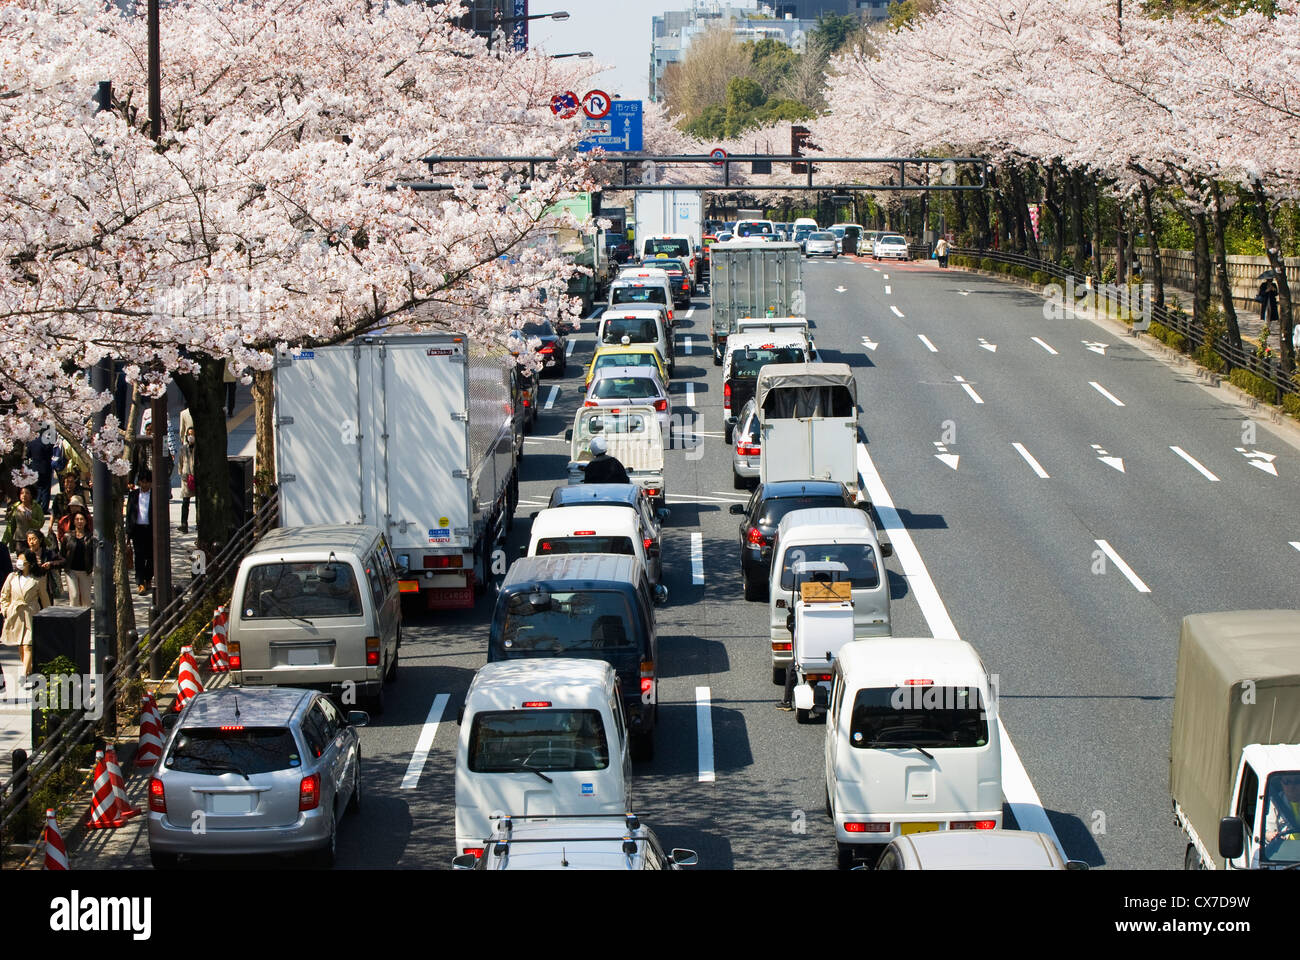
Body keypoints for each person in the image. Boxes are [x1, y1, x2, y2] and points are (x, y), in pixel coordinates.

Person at [1, 550, 52, 682]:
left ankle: (23, 674)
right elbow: (4, 595)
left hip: (31, 613)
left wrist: (47, 614)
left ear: (29, 563)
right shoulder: (12, 577)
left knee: (28, 645)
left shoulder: (38, 579)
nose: (19, 562)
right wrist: (5, 609)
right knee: (21, 646)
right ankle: (28, 669)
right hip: (16, 614)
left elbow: (44, 598)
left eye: (22, 560)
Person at [126, 468, 154, 595]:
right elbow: (129, 513)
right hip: (137, 530)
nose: (144, 485)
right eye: (142, 482)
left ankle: (148, 578)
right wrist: (128, 532)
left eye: (147, 482)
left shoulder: (155, 495)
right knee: (139, 557)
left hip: (151, 530)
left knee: (151, 556)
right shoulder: (133, 495)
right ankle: (140, 582)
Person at [61, 508, 94, 607]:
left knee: (86, 599)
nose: (79, 521)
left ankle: (85, 621)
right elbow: (62, 553)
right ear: (73, 521)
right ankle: (73, 620)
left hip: (85, 571)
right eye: (77, 519)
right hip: (71, 571)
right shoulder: (67, 536)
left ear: (86, 521)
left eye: (82, 519)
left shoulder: (91, 537)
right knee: (74, 596)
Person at [1262, 774, 1300, 860]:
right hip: (1284, 856)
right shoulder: (1274, 802)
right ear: (1281, 783)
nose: (1291, 787)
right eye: (1287, 782)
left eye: (1297, 781)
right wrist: (1271, 836)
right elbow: (1267, 832)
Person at [25, 528, 64, 603]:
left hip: (46, 587)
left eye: (33, 539)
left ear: (40, 540)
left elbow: (63, 561)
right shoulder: (25, 554)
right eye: (29, 539)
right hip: (29, 587)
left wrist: (51, 564)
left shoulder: (48, 553)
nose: (31, 542)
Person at [5, 486, 44, 553]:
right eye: (22, 493)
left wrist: (31, 520)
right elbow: (10, 526)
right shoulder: (16, 507)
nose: (24, 495)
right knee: (21, 560)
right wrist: (4, 542)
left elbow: (40, 524)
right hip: (19, 540)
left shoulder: (37, 507)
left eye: (27, 493)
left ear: (32, 495)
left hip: (33, 541)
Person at [25, 432, 55, 513]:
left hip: (35, 467)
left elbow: (27, 455)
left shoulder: (32, 443)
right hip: (46, 467)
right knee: (46, 488)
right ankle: (44, 508)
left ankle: (36, 504)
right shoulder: (48, 443)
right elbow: (51, 454)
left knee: (37, 487)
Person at [178, 423, 197, 534]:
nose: (191, 436)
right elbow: (180, 463)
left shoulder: (199, 448)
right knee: (185, 501)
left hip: (197, 477)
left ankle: (199, 523)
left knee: (198, 502)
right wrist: (181, 473)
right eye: (189, 434)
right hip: (186, 477)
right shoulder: (183, 448)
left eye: (193, 434)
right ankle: (183, 524)